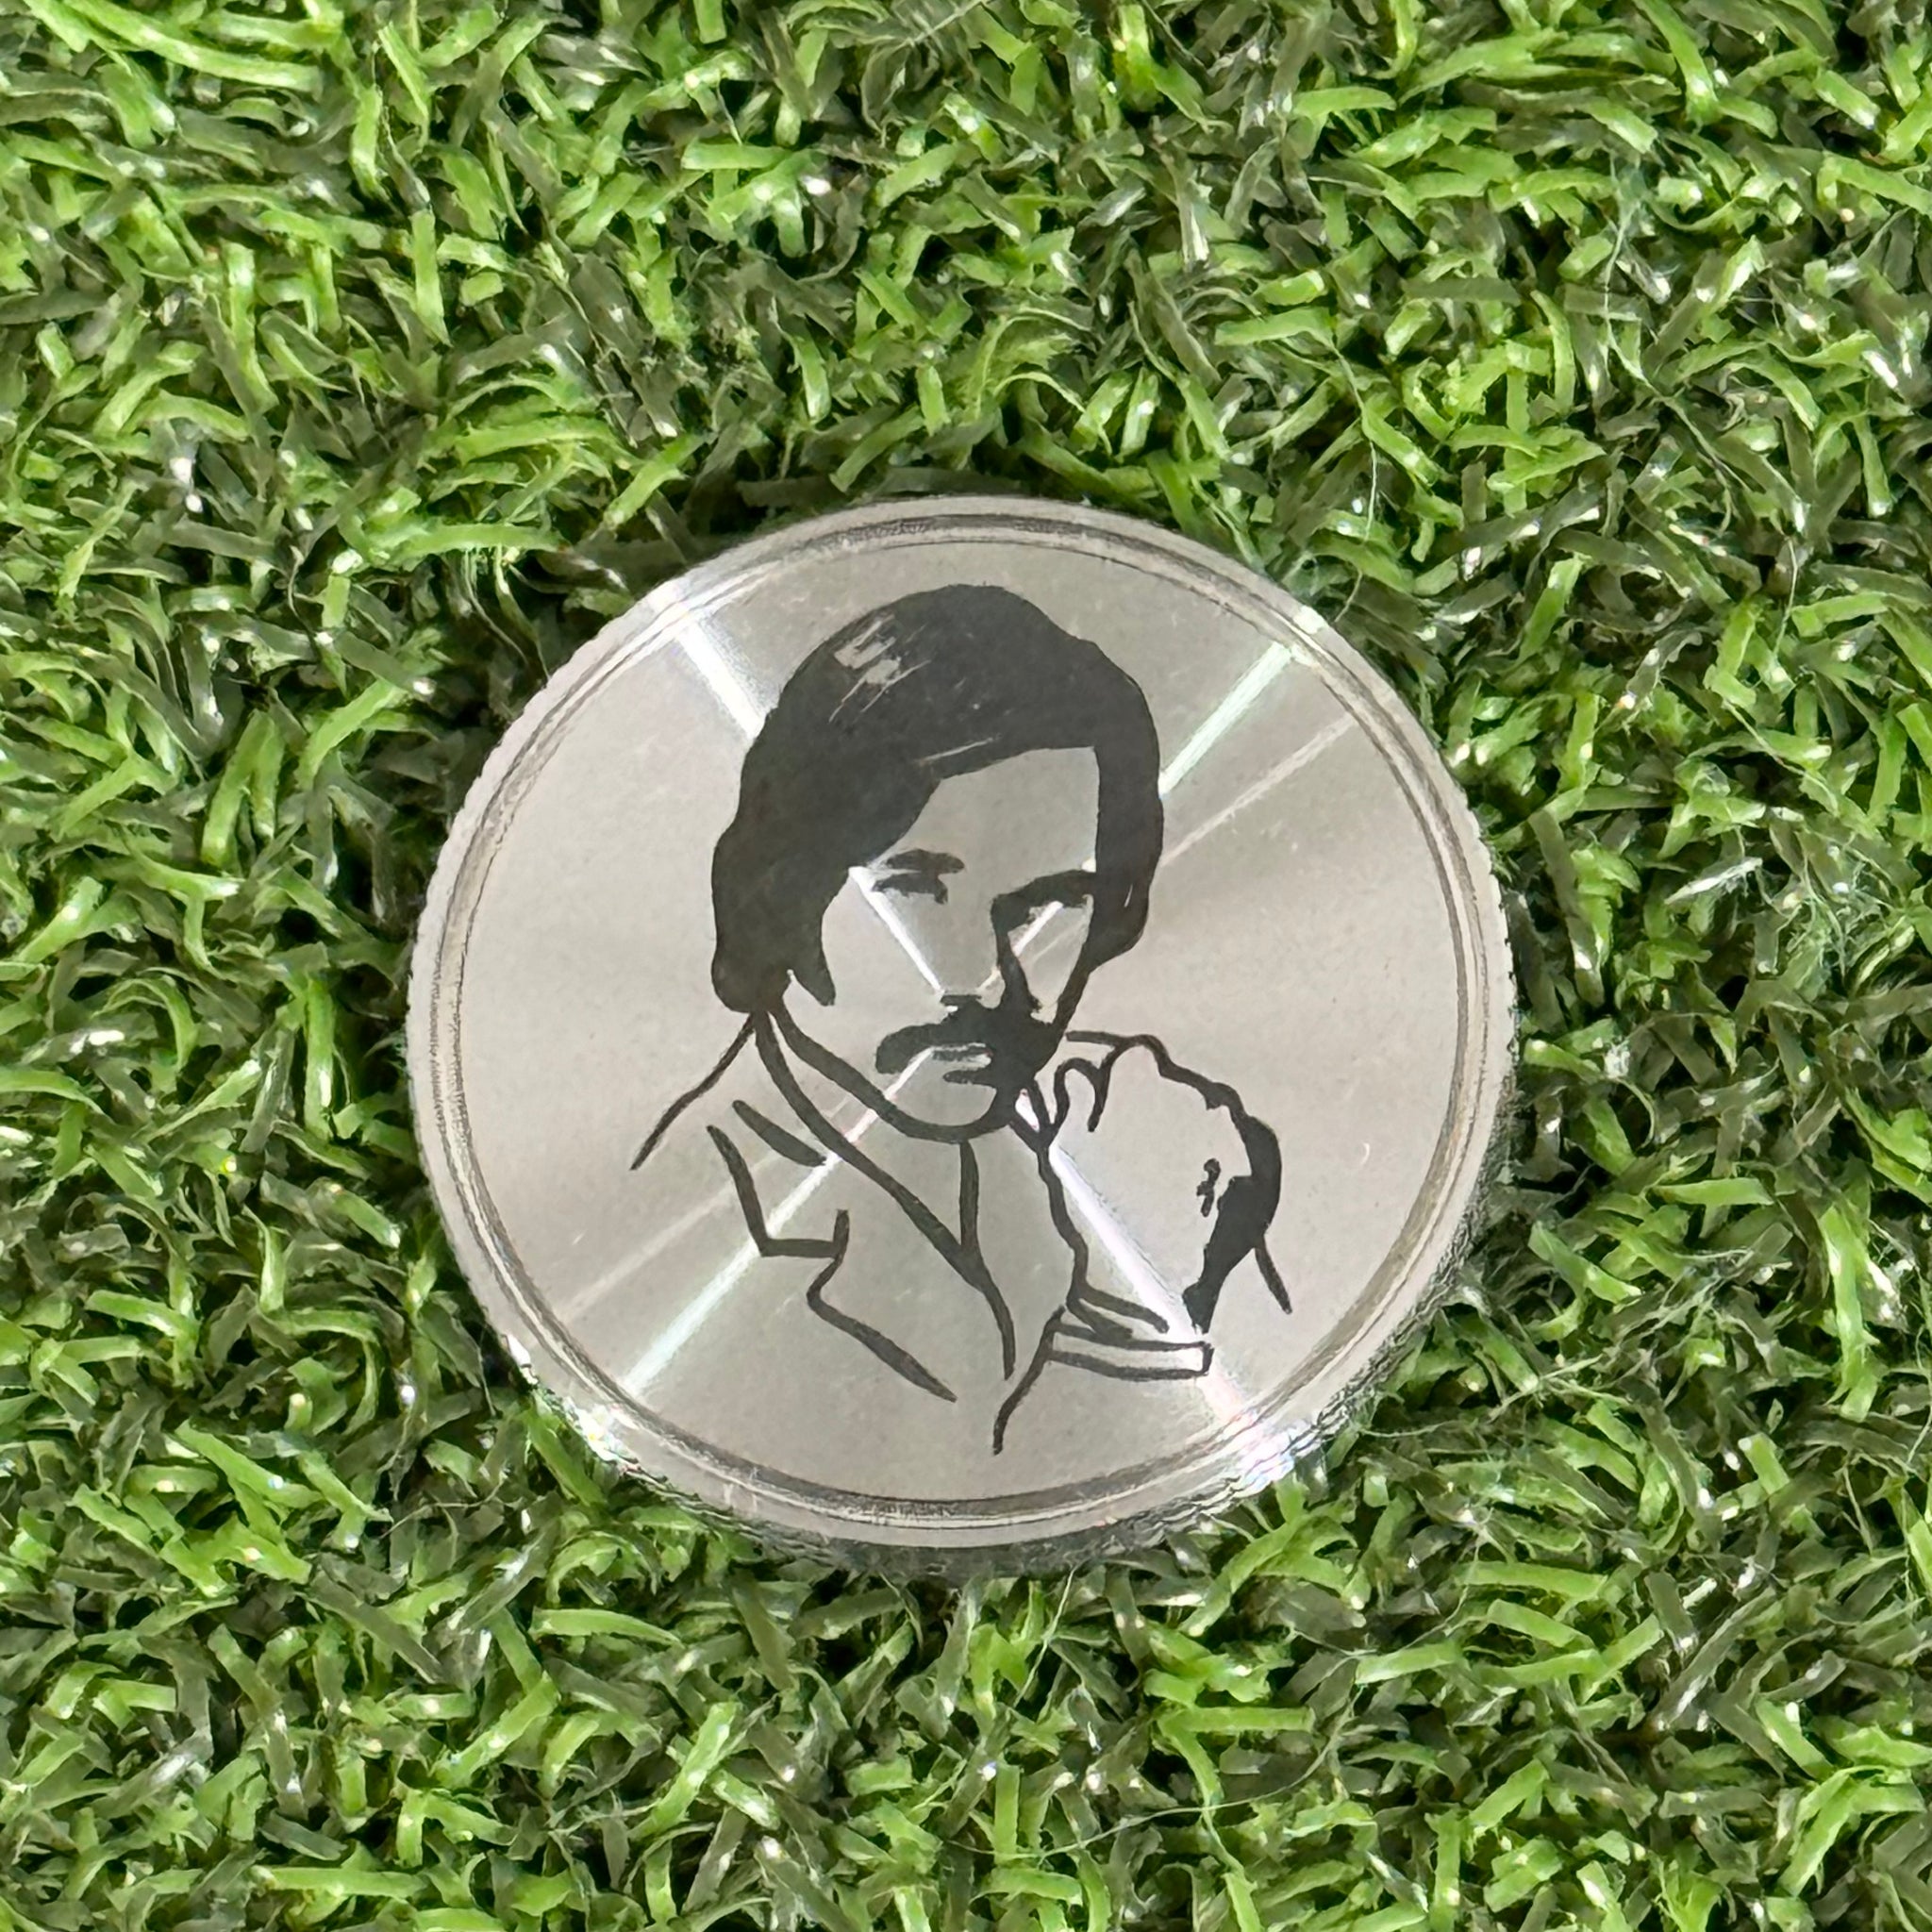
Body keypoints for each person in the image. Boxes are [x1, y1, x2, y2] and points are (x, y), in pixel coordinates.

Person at [632, 584, 1288, 1454]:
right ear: (783, 891)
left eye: (1049, 907)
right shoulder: (695, 1237)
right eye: (914, 895)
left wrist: (1162, 1265)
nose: (980, 980)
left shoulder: (1062, 1134)